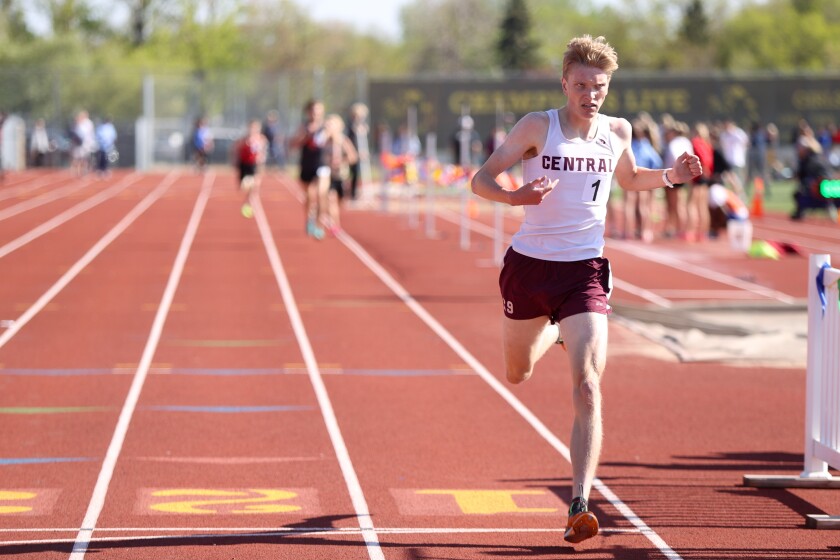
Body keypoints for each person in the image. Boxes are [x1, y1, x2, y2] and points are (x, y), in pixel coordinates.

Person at [470, 35, 701, 545]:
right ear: (564, 83)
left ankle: (578, 503)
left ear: (608, 86)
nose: (589, 95)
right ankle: (552, 333)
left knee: (589, 385)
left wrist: (672, 176)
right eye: (580, 85)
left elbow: (632, 177)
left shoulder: (617, 130)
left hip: (585, 273)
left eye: (598, 87)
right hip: (529, 270)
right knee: (517, 373)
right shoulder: (538, 126)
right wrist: (514, 196)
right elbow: (480, 178)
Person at [290, 99, 327, 239]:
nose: (316, 114)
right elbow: (293, 144)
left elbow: (335, 140)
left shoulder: (325, 127)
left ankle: (319, 224)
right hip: (306, 165)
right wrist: (306, 136)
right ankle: (309, 219)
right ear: (308, 112)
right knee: (310, 197)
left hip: (322, 165)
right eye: (313, 111)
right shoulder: (303, 127)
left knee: (320, 194)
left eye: (318, 111)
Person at [321, 114, 358, 234]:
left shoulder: (343, 140)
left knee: (341, 201)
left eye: (331, 125)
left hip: (341, 175)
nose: (329, 128)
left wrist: (341, 161)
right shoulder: (324, 141)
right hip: (328, 174)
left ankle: (334, 218)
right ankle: (335, 224)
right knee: (330, 198)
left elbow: (353, 157)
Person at [233, 119, 268, 219]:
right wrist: (235, 160)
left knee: (255, 184)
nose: (253, 130)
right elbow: (236, 149)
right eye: (251, 128)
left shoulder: (261, 139)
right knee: (242, 187)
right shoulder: (243, 139)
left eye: (255, 128)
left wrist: (261, 160)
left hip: (254, 164)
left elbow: (263, 152)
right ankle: (248, 194)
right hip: (244, 164)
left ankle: (249, 202)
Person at [346, 102, 370, 201]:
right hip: (352, 152)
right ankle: (349, 192)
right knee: (349, 173)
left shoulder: (363, 126)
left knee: (356, 173)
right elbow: (349, 140)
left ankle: (354, 192)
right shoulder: (350, 126)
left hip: (360, 153)